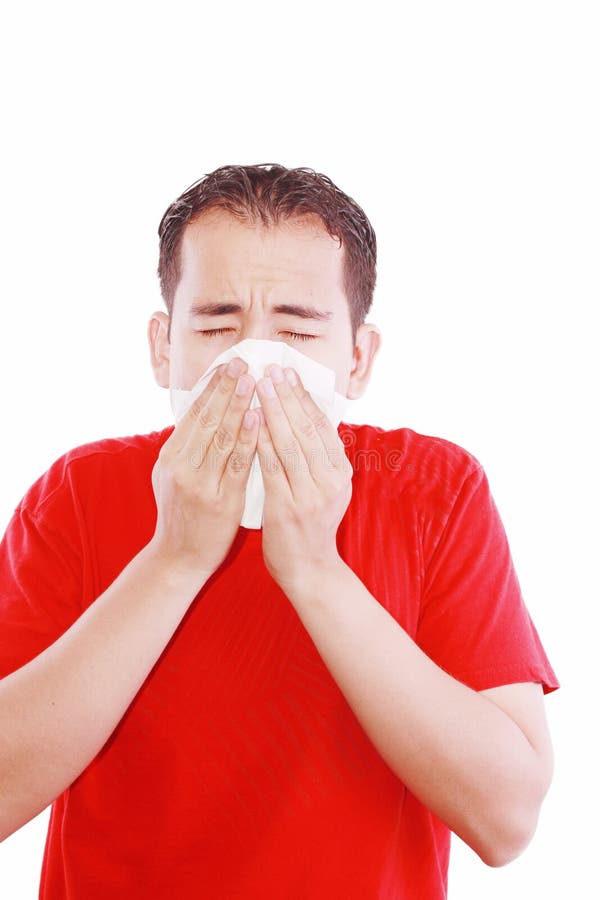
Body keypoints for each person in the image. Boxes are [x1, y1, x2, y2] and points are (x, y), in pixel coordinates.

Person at [0, 163, 559, 899]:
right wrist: (175, 558)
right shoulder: (78, 493)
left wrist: (317, 573)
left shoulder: (435, 491)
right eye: (217, 324)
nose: (253, 363)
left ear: (356, 359)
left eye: (296, 329)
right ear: (164, 347)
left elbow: (508, 821)